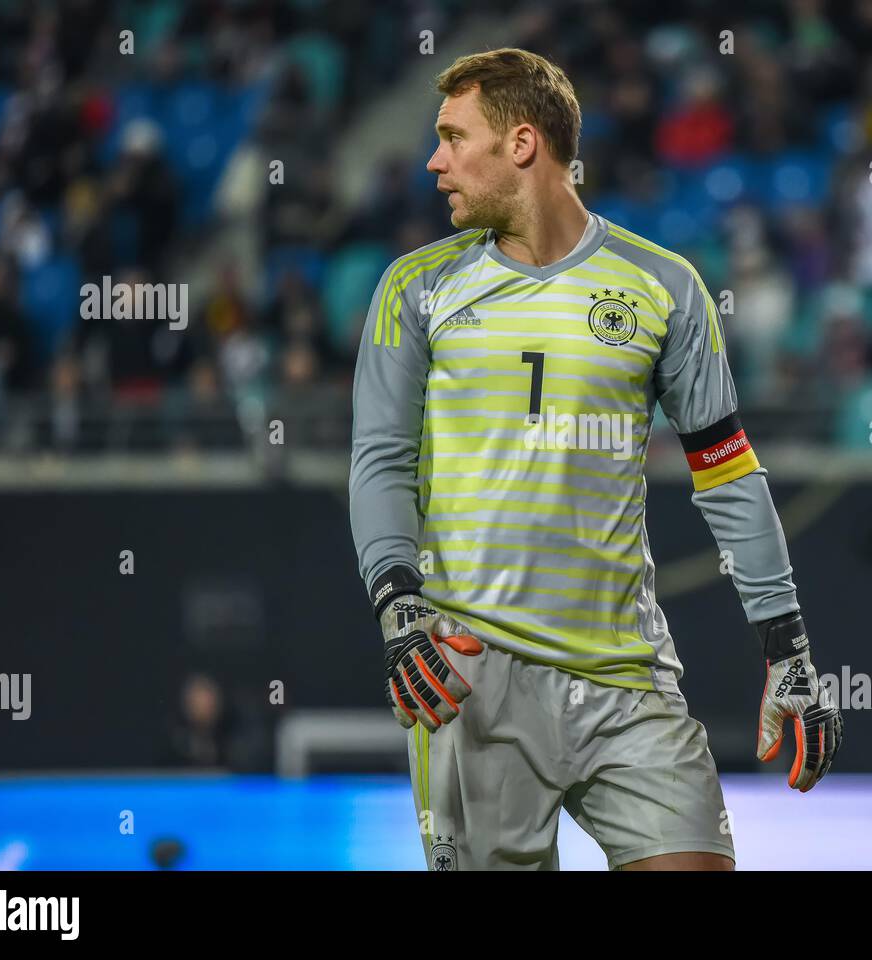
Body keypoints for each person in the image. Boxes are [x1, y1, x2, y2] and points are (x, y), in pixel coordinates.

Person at [348, 48, 842, 872]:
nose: (432, 161)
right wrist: (397, 605)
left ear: (521, 144)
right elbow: (381, 463)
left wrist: (786, 646)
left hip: (628, 677)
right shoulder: (415, 288)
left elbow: (725, 472)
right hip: (471, 674)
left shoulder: (665, 287)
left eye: (452, 137)